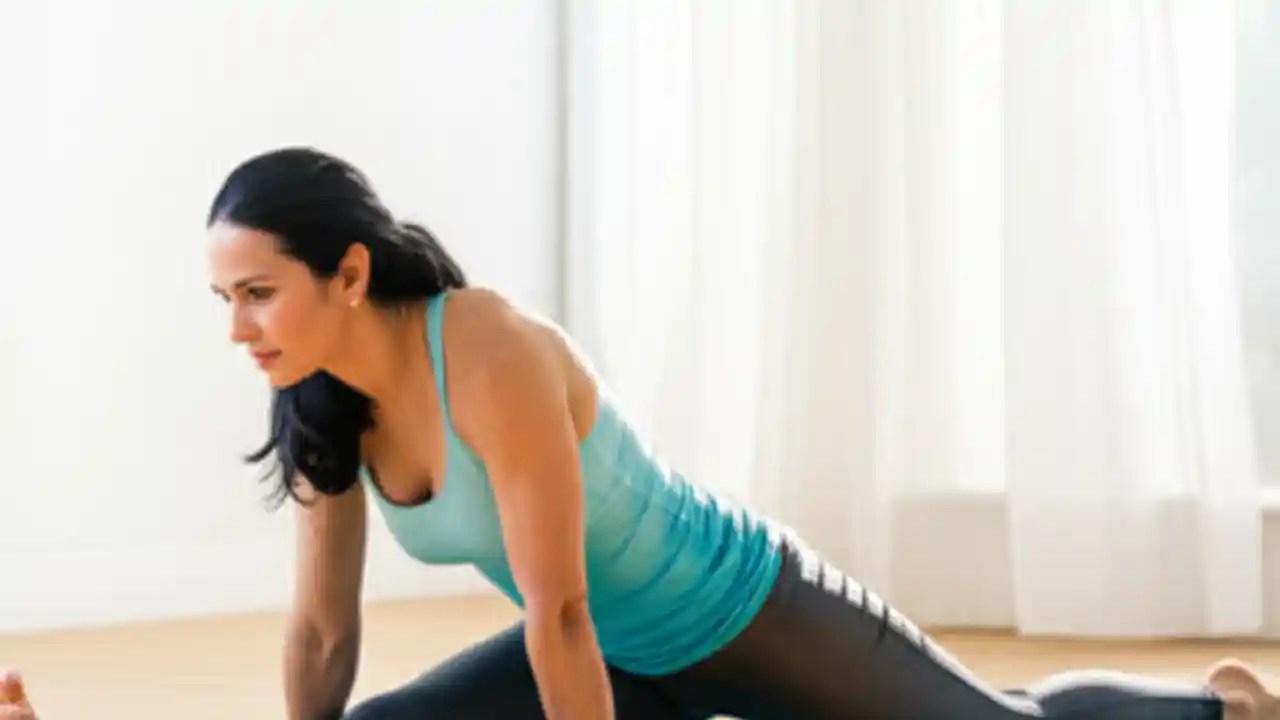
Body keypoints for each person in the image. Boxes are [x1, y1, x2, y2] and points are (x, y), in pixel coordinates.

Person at [3, 146, 1273, 720]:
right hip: (613, 659)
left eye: (257, 293)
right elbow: (323, 628)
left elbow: (554, 609)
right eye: (223, 301)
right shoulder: (317, 396)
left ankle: (1221, 706)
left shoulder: (484, 344)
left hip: (741, 609)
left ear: (345, 272)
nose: (239, 329)